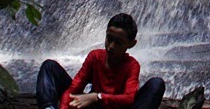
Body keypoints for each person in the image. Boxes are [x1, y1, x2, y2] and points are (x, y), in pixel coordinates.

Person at [36, 13, 165, 109]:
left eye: (118, 43)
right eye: (109, 39)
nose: (111, 46)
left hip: (113, 106)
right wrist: (63, 107)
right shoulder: (95, 56)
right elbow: (74, 88)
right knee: (49, 66)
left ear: (131, 44)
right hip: (93, 107)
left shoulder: (132, 66)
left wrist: (96, 97)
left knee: (156, 84)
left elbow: (129, 98)